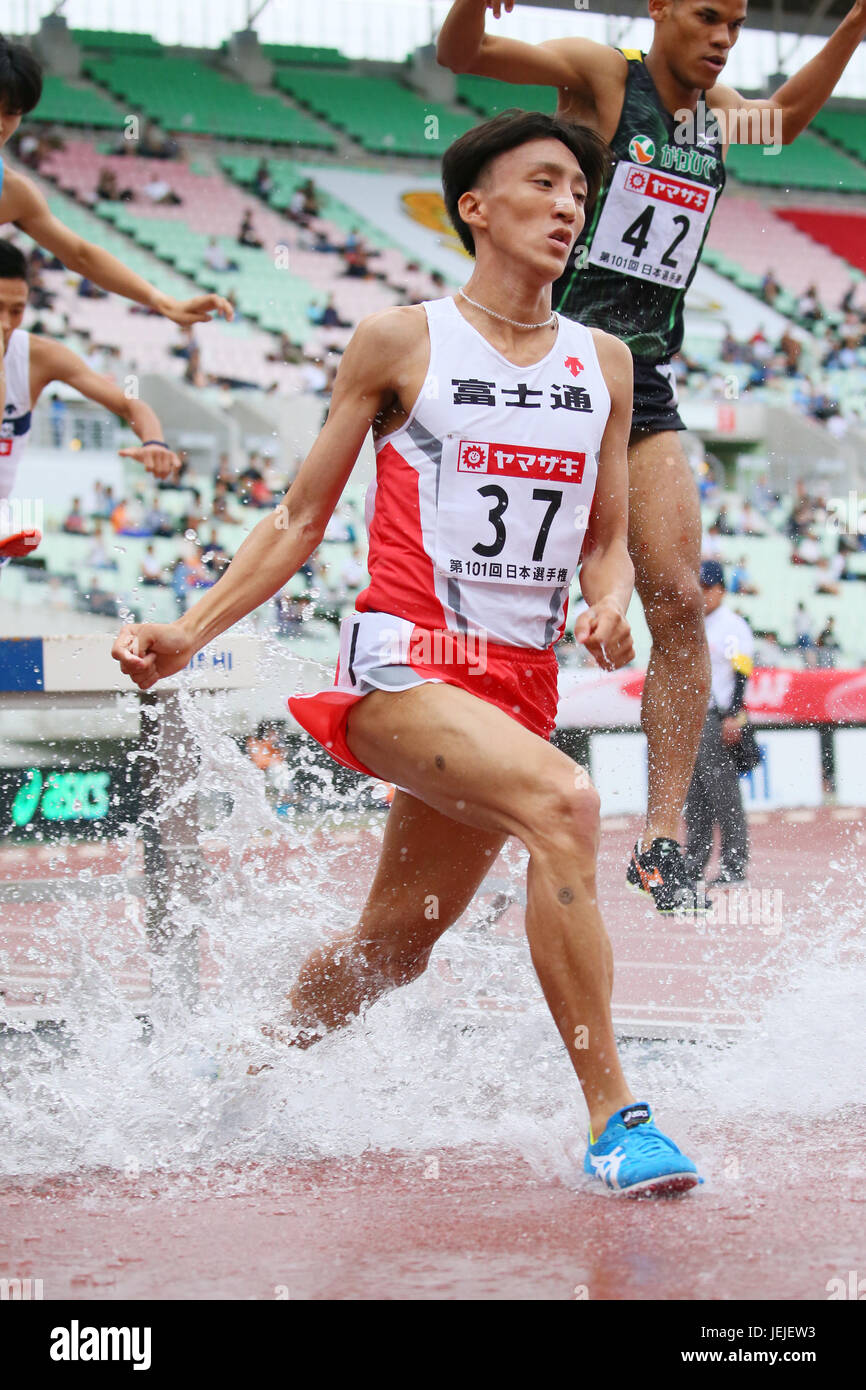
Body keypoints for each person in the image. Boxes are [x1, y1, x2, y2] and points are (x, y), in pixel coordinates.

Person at [111, 110, 704, 1196]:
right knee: (565, 806)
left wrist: (608, 604)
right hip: (403, 666)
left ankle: (224, 1066)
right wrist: (188, 632)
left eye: (580, 190)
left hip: (515, 689)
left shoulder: (605, 363)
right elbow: (298, 518)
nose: (569, 205)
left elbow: (606, 547)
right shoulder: (401, 340)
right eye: (543, 183)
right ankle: (617, 1116)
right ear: (474, 208)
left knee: (393, 947)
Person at [437, 0, 866, 913]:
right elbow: (461, 51)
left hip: (643, 375)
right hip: (544, 365)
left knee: (677, 597)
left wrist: (855, 23)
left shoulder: (719, 115)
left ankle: (664, 827)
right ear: (663, 9)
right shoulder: (602, 75)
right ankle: (462, 804)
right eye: (709, 17)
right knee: (506, 599)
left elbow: (783, 123)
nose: (724, 39)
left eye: (740, 26)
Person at [0, 34, 232, 429]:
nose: (3, 124)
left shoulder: (12, 193)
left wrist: (162, 302)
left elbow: (81, 255)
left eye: (13, 112)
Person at [0, 241, 181, 530]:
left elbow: (128, 404)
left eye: (16, 310)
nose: (6, 324)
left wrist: (154, 442)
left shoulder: (40, 357)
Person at [684, 561, 755, 887]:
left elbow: (741, 674)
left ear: (722, 590)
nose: (702, 593)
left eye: (708, 587)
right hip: (692, 716)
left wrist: (733, 715)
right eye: (698, 586)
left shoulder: (732, 625)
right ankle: (694, 862)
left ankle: (733, 864)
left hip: (718, 716)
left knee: (723, 794)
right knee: (695, 795)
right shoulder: (693, 622)